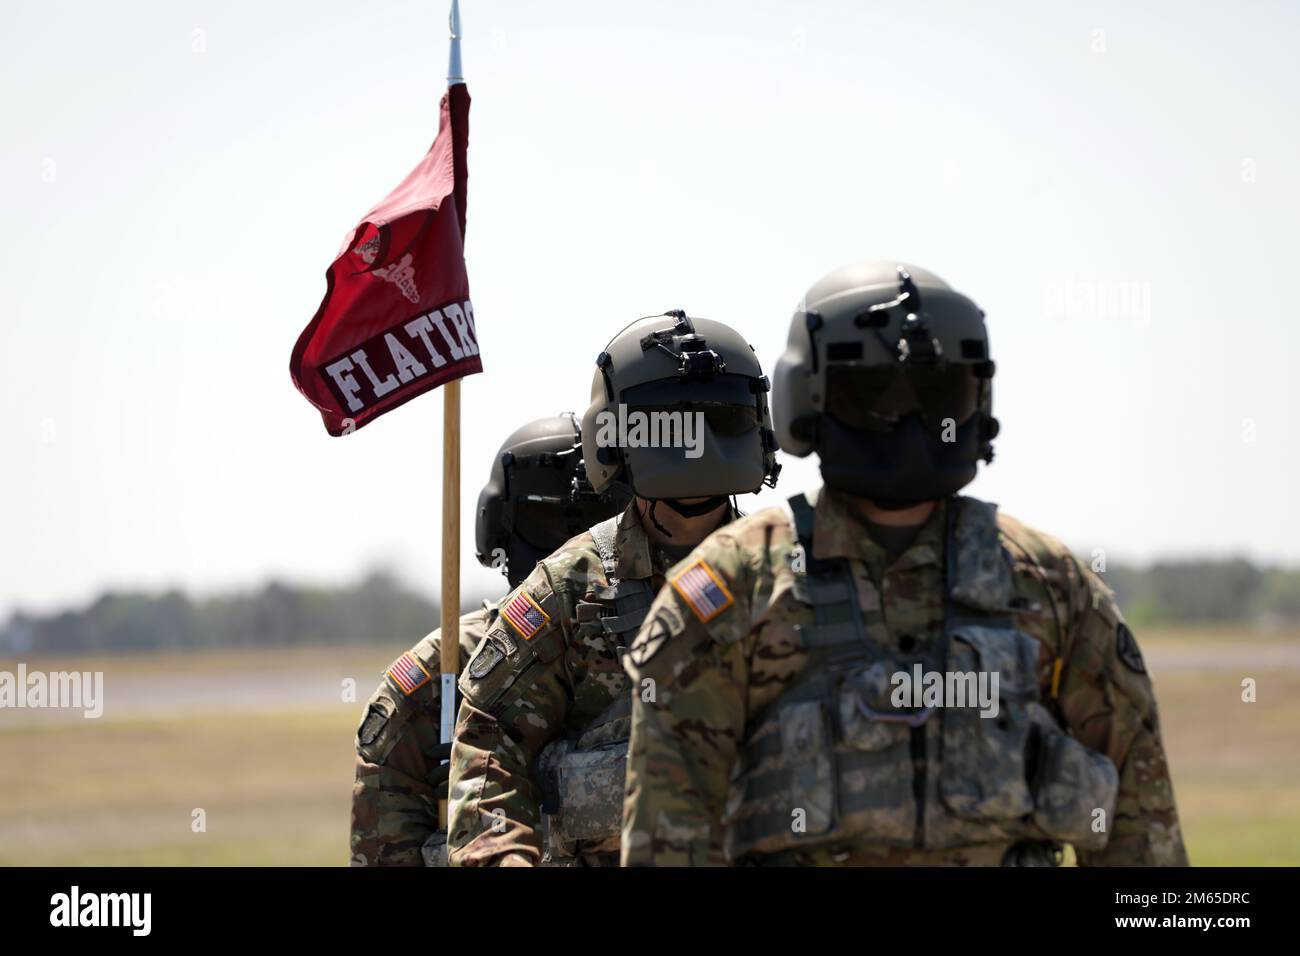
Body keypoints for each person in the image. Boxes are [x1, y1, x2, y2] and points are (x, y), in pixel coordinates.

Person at [620, 262, 1189, 867]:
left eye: (938, 394)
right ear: (807, 401)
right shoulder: (732, 589)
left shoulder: (1053, 589)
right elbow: (669, 843)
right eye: (873, 397)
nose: (914, 424)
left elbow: (1141, 841)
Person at [446, 311, 780, 866]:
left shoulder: (789, 568)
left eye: (721, 417)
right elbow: (488, 740)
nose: (694, 441)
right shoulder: (569, 588)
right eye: (669, 421)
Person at [349, 413, 628, 866]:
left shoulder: (666, 643)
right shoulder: (435, 680)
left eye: (596, 523)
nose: (569, 551)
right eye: (546, 523)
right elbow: (382, 847)